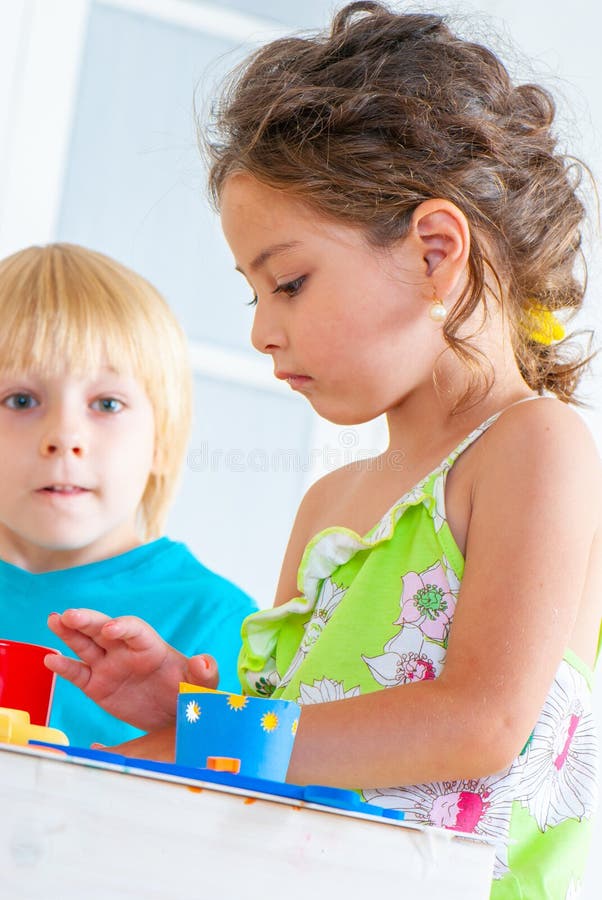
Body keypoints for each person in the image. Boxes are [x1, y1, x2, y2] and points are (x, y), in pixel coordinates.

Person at [47, 3, 601, 896]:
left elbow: (483, 718)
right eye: (253, 295)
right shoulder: (327, 508)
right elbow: (286, 752)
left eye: (290, 283)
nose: (265, 331)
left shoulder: (534, 450)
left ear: (434, 252)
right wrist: (194, 711)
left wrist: (206, 737)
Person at [0, 242, 256, 748]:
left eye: (107, 403)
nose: (65, 436)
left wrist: (177, 734)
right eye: (21, 399)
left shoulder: (222, 624)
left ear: (163, 442)